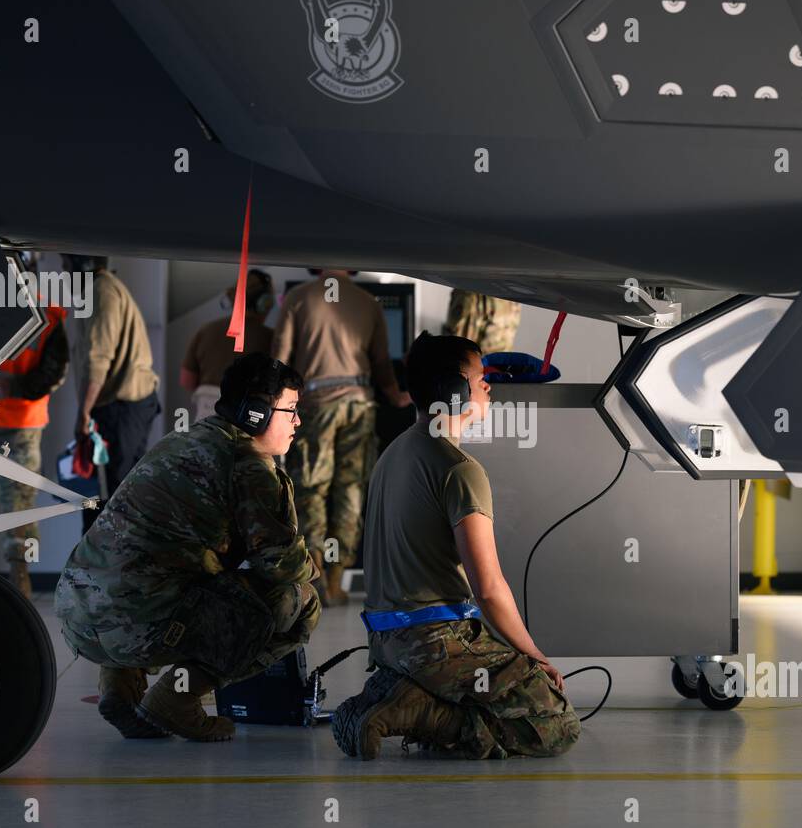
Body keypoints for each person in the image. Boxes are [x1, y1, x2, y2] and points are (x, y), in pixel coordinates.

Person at [332, 331, 580, 760]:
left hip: (387, 643)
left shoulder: (394, 454)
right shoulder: (459, 469)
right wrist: (535, 656)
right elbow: (489, 590)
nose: (488, 386)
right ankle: (423, 714)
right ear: (454, 390)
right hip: (435, 641)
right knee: (556, 723)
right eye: (480, 378)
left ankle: (402, 692)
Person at [54, 353, 321, 742]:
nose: (298, 421)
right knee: (298, 600)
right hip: (138, 624)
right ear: (256, 415)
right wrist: (312, 567)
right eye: (291, 410)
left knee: (153, 577)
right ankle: (176, 699)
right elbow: (281, 565)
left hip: (78, 615)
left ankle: (120, 689)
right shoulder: (248, 464)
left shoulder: (181, 440)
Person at [273, 269, 410, 606]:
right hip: (359, 404)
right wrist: (396, 395)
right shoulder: (368, 302)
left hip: (315, 405)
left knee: (311, 489)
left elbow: (279, 359)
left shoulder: (298, 299)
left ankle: (316, 573)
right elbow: (381, 362)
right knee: (351, 489)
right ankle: (336, 580)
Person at [0, 264, 69, 600]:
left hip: (0, 422)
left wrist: (9, 386)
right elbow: (54, 373)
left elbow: (52, 373)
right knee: (8, 502)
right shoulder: (48, 315)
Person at [64, 255, 161, 531]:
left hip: (122, 407)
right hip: (125, 405)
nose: (63, 270)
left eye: (66, 263)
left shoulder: (101, 291)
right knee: (116, 492)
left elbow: (98, 358)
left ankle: (108, 553)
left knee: (114, 495)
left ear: (82, 264)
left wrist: (83, 414)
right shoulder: (101, 289)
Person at [181, 269, 275, 422]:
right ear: (265, 303)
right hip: (247, 415)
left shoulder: (206, 330)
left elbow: (187, 380)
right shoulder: (271, 338)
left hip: (206, 412)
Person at [442, 289, 522, 357]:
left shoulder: (512, 294)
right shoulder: (473, 295)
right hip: (475, 364)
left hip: (497, 364)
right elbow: (459, 349)